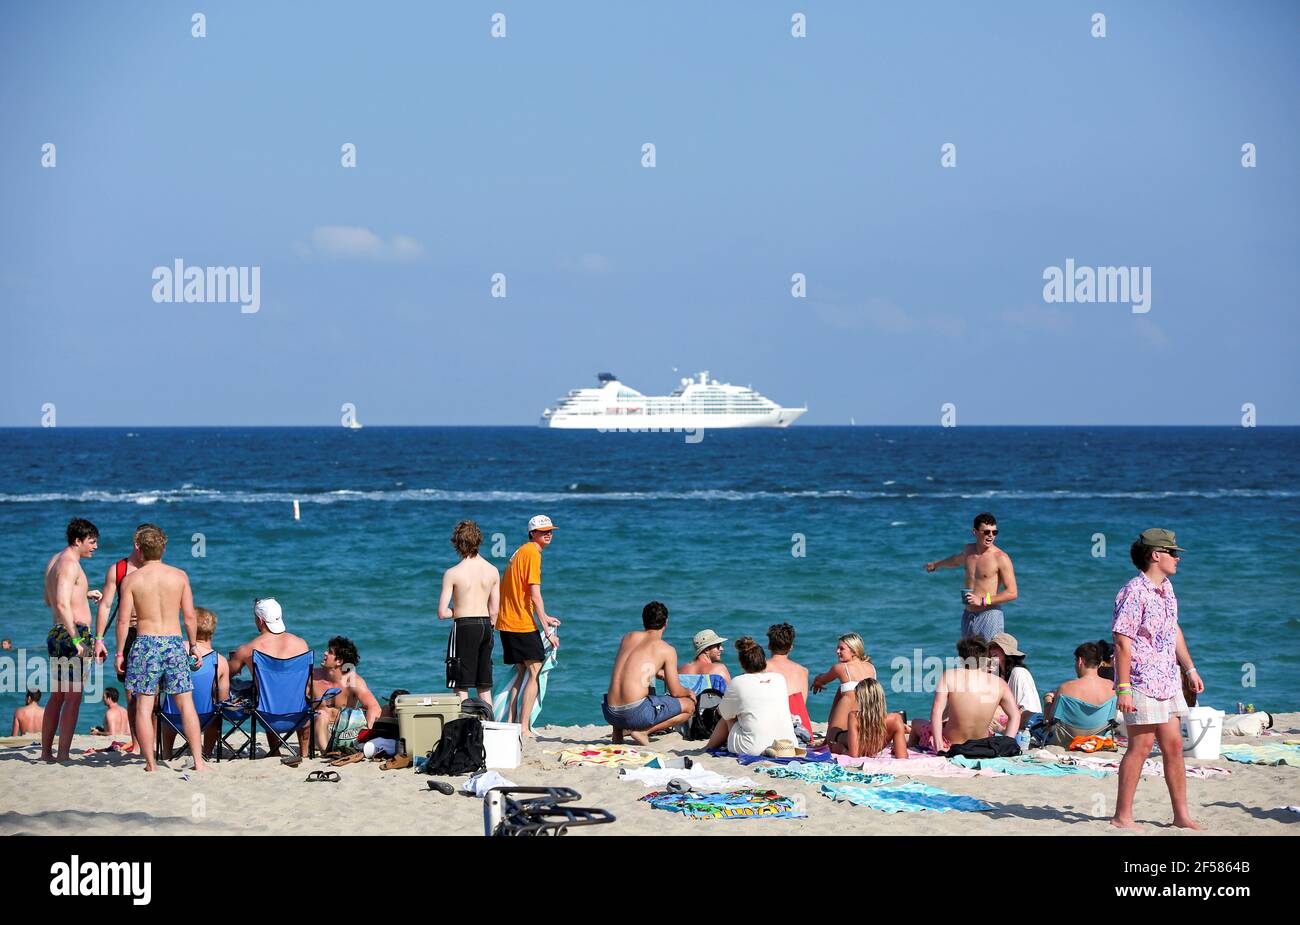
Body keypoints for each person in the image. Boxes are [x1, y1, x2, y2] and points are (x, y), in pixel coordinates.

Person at [1111, 529, 1204, 831]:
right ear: (1155, 555)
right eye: (1173, 552)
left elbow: (1173, 630)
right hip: (1139, 680)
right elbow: (1122, 641)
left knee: (1174, 745)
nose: (1178, 558)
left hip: (1167, 679)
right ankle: (1122, 816)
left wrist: (1189, 668)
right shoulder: (1133, 592)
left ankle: (1180, 815)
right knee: (1140, 746)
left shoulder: (1167, 588)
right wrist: (1123, 687)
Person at [114, 525, 208, 772]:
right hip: (173, 643)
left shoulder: (131, 580)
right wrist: (194, 646)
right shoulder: (179, 576)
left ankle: (150, 764)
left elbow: (123, 620)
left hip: (145, 644)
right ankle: (198, 762)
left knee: (144, 707)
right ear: (163, 548)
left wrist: (120, 652)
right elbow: (189, 617)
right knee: (185, 704)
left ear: (140, 549)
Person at [496, 515, 561, 738]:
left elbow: (521, 593)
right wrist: (547, 630)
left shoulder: (520, 552)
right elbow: (535, 594)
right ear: (533, 533)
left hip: (507, 622)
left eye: (550, 530)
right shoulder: (532, 554)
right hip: (519, 623)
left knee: (523, 671)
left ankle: (512, 722)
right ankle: (524, 727)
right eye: (544, 531)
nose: (548, 534)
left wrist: (545, 616)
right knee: (535, 670)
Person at [41, 517, 99, 763]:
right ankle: (63, 754)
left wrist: (83, 595)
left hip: (58, 632)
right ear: (78, 541)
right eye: (92, 542)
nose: (95, 547)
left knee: (57, 695)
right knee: (73, 698)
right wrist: (77, 640)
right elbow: (62, 603)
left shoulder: (55, 561)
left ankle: (46, 753)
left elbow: (51, 600)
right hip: (71, 634)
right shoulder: (70, 564)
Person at [602, 601, 696, 745]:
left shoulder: (628, 637)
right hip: (633, 715)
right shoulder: (666, 650)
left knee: (626, 685)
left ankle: (618, 734)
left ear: (644, 621)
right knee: (689, 706)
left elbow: (631, 666)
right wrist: (688, 692)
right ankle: (643, 731)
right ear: (666, 622)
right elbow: (676, 692)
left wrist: (657, 671)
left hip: (610, 712)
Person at [228, 598, 312, 756]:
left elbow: (227, 674)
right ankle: (305, 753)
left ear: (259, 620)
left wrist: (236, 659)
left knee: (265, 693)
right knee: (294, 691)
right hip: (299, 714)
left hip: (267, 716)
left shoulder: (248, 649)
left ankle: (275, 752)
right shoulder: (301, 644)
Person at [93, 524, 151, 753]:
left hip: (151, 633)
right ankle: (138, 744)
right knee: (131, 694)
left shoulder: (157, 569)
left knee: (152, 696)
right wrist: (99, 639)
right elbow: (106, 605)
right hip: (127, 635)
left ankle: (152, 743)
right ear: (138, 545)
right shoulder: (118, 569)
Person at [909, 636, 1020, 753]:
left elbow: (936, 712)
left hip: (951, 743)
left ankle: (907, 755)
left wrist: (939, 746)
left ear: (961, 659)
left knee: (916, 723)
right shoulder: (1000, 683)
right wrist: (1006, 743)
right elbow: (1015, 716)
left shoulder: (949, 676)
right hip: (981, 744)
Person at [924, 512, 1018, 640]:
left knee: (990, 659)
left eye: (994, 532)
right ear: (975, 532)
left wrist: (983, 601)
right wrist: (936, 564)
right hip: (968, 615)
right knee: (968, 659)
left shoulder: (1000, 558)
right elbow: (955, 560)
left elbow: (1012, 593)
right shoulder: (969, 551)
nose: (991, 535)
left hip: (989, 615)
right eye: (986, 532)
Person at [437, 520, 500, 703]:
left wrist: (458, 610)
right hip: (487, 626)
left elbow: (442, 612)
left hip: (464, 626)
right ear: (478, 541)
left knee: (461, 684)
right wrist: (490, 626)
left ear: (457, 543)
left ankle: (463, 727)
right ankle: (488, 725)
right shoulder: (493, 571)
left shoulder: (453, 573)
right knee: (484, 685)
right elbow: (494, 610)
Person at [160, 606, 230, 758]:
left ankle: (166, 753)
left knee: (169, 704)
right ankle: (207, 753)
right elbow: (223, 700)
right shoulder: (220, 661)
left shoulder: (173, 651)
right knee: (217, 712)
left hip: (173, 718)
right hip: (204, 718)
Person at [705, 637, 793, 756]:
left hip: (752, 749)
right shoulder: (779, 678)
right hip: (786, 746)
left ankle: (708, 748)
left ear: (742, 663)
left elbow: (724, 714)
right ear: (764, 661)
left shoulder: (738, 682)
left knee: (728, 715)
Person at [311, 636, 382, 752]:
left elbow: (374, 708)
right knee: (321, 714)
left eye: (329, 652)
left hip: (345, 733)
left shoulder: (353, 681)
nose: (324, 653)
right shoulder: (313, 677)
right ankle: (327, 753)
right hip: (318, 732)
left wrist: (366, 733)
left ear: (339, 661)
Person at [1040, 641, 1118, 745]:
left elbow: (1048, 720)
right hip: (1097, 739)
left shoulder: (1065, 688)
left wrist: (1048, 699)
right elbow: (1112, 719)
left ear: (1080, 661)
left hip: (1066, 740)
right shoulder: (1112, 687)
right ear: (1099, 663)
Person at [828, 678, 909, 759]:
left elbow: (854, 756)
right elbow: (902, 757)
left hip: (837, 737)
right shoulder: (895, 719)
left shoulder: (854, 717)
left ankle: (842, 689)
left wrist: (842, 750)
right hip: (846, 735)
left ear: (861, 700)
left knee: (834, 728)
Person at [811, 633, 876, 727]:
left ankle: (830, 732)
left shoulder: (841, 668)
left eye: (841, 648)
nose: (837, 651)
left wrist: (817, 682)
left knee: (833, 738)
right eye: (837, 648)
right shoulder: (871, 667)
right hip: (869, 718)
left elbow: (822, 680)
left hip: (850, 719)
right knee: (842, 689)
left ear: (854, 651)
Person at [987, 632, 1042, 735]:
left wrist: (1002, 729)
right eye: (991, 647)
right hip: (1010, 725)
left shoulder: (1019, 673)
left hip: (1026, 730)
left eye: (996, 647)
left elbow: (1027, 712)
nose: (991, 650)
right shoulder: (998, 675)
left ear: (1007, 651)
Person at [766, 623, 811, 736]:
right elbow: (802, 703)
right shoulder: (803, 671)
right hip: (803, 727)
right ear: (791, 647)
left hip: (778, 725)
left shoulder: (761, 668)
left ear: (769, 645)